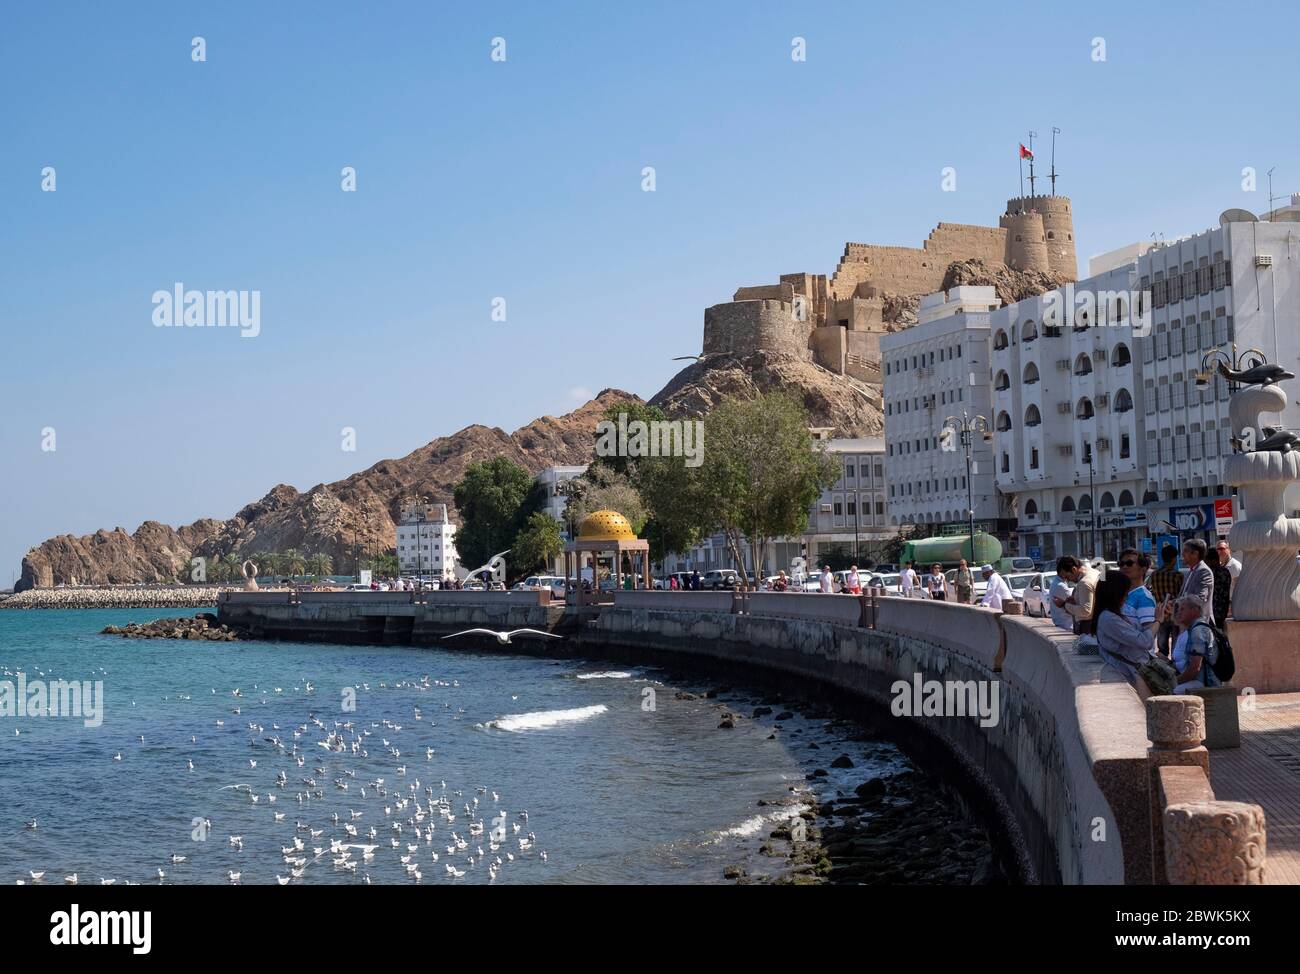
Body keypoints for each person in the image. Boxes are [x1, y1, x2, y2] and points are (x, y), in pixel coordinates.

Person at [1092, 570, 1156, 686]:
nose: (1126, 598)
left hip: (1127, 672)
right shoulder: (1108, 618)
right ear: (1115, 594)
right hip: (1127, 674)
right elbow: (1144, 641)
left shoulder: (1109, 615)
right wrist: (1158, 621)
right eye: (1125, 593)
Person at [1162, 594, 1221, 692]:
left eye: (1182, 609)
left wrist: (1173, 682)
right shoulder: (1190, 630)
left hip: (1203, 683)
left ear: (1195, 610)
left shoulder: (1198, 631)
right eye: (1179, 609)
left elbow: (1195, 668)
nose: (1179, 613)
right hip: (1194, 680)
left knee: (1166, 693)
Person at [1055, 556, 1100, 635]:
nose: (1068, 580)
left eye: (1067, 577)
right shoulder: (1094, 572)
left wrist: (1064, 605)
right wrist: (1076, 599)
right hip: (1096, 623)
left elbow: (1085, 611)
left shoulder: (1084, 582)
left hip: (1087, 627)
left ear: (1074, 570)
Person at [1117, 548, 1157, 636]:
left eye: (1129, 563)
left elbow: (1149, 635)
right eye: (1121, 563)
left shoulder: (1144, 598)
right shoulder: (1120, 594)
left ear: (1143, 570)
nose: (1124, 567)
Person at [1178, 539, 1214, 623]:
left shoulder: (1203, 571)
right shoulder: (1191, 571)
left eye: (1186, 551)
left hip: (1198, 624)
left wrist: (1178, 603)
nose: (1182, 554)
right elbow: (1184, 595)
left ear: (1195, 554)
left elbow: (1199, 599)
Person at [1205, 548, 1232, 631]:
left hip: (1211, 611)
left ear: (1212, 560)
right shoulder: (1225, 572)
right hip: (1222, 610)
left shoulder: (1208, 573)